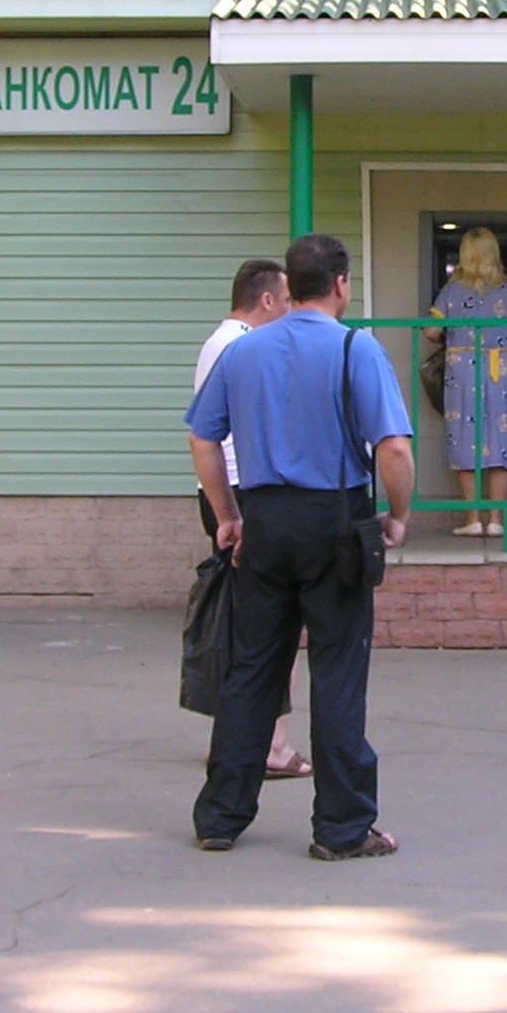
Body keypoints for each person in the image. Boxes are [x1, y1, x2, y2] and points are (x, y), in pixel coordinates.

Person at [186, 233, 414, 860]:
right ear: (341, 284)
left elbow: (203, 440)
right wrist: (397, 516)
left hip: (263, 521)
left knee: (252, 668)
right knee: (338, 671)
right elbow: (392, 448)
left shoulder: (244, 351)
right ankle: (340, 828)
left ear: (288, 285)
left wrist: (227, 516)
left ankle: (221, 816)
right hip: (335, 523)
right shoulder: (354, 350)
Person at [190, 257, 308, 781]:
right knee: (272, 624)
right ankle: (271, 745)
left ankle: (242, 737)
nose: (289, 310)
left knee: (252, 622)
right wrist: (231, 514)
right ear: (266, 300)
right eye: (285, 300)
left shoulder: (221, 340)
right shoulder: (243, 346)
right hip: (246, 492)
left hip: (228, 491)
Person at [426, 227, 507, 537]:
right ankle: (496, 522)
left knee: (465, 438)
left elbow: (431, 332)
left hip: (463, 369)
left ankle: (472, 519)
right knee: (500, 442)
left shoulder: (451, 291)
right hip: (501, 368)